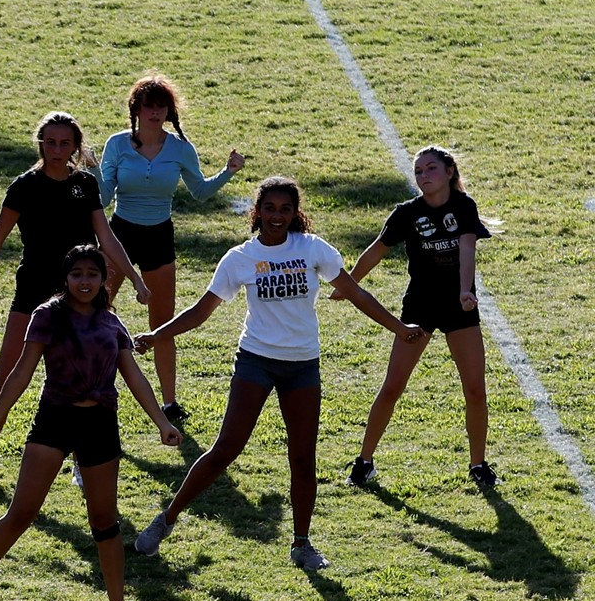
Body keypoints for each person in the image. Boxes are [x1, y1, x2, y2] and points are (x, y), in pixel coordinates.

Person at [131, 177, 425, 571]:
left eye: (285, 209)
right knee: (225, 449)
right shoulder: (240, 258)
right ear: (257, 211)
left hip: (302, 365)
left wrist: (399, 328)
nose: (277, 216)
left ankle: (302, 543)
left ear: (295, 213)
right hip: (256, 360)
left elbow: (356, 292)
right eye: (269, 208)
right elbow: (201, 311)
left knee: (303, 458)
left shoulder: (312, 248)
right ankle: (166, 519)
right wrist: (157, 335)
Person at [0, 246, 182, 601]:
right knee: (22, 512)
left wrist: (162, 422)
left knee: (105, 521)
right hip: (55, 419)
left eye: (92, 274)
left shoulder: (112, 322)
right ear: (66, 278)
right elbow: (22, 372)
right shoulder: (47, 315)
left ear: (104, 280)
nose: (84, 281)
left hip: (100, 423)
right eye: (77, 274)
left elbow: (134, 376)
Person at [0, 111, 150, 483]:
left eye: (65, 143)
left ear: (75, 146)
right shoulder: (24, 186)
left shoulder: (85, 184)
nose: (57, 150)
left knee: (84, 380)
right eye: (50, 142)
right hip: (33, 291)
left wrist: (135, 278)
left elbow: (106, 236)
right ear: (41, 144)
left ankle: (83, 460)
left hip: (81, 295)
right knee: (7, 374)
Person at [335, 146, 496, 487]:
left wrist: (465, 291)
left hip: (460, 307)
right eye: (418, 171)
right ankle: (364, 462)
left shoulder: (464, 206)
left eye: (431, 168)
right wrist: (349, 284)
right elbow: (376, 250)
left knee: (475, 390)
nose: (423, 176)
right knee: (393, 386)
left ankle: (478, 464)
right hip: (419, 308)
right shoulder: (406, 213)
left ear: (449, 172)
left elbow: (467, 248)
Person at [97, 75, 246, 421]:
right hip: (119, 235)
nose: (155, 112)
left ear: (169, 110)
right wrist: (91, 169)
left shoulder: (181, 148)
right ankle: (95, 388)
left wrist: (228, 171)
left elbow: (200, 191)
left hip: (159, 236)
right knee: (97, 312)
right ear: (136, 109)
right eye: (148, 106)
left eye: (160, 106)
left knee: (163, 322)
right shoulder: (116, 144)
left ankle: (169, 401)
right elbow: (103, 199)